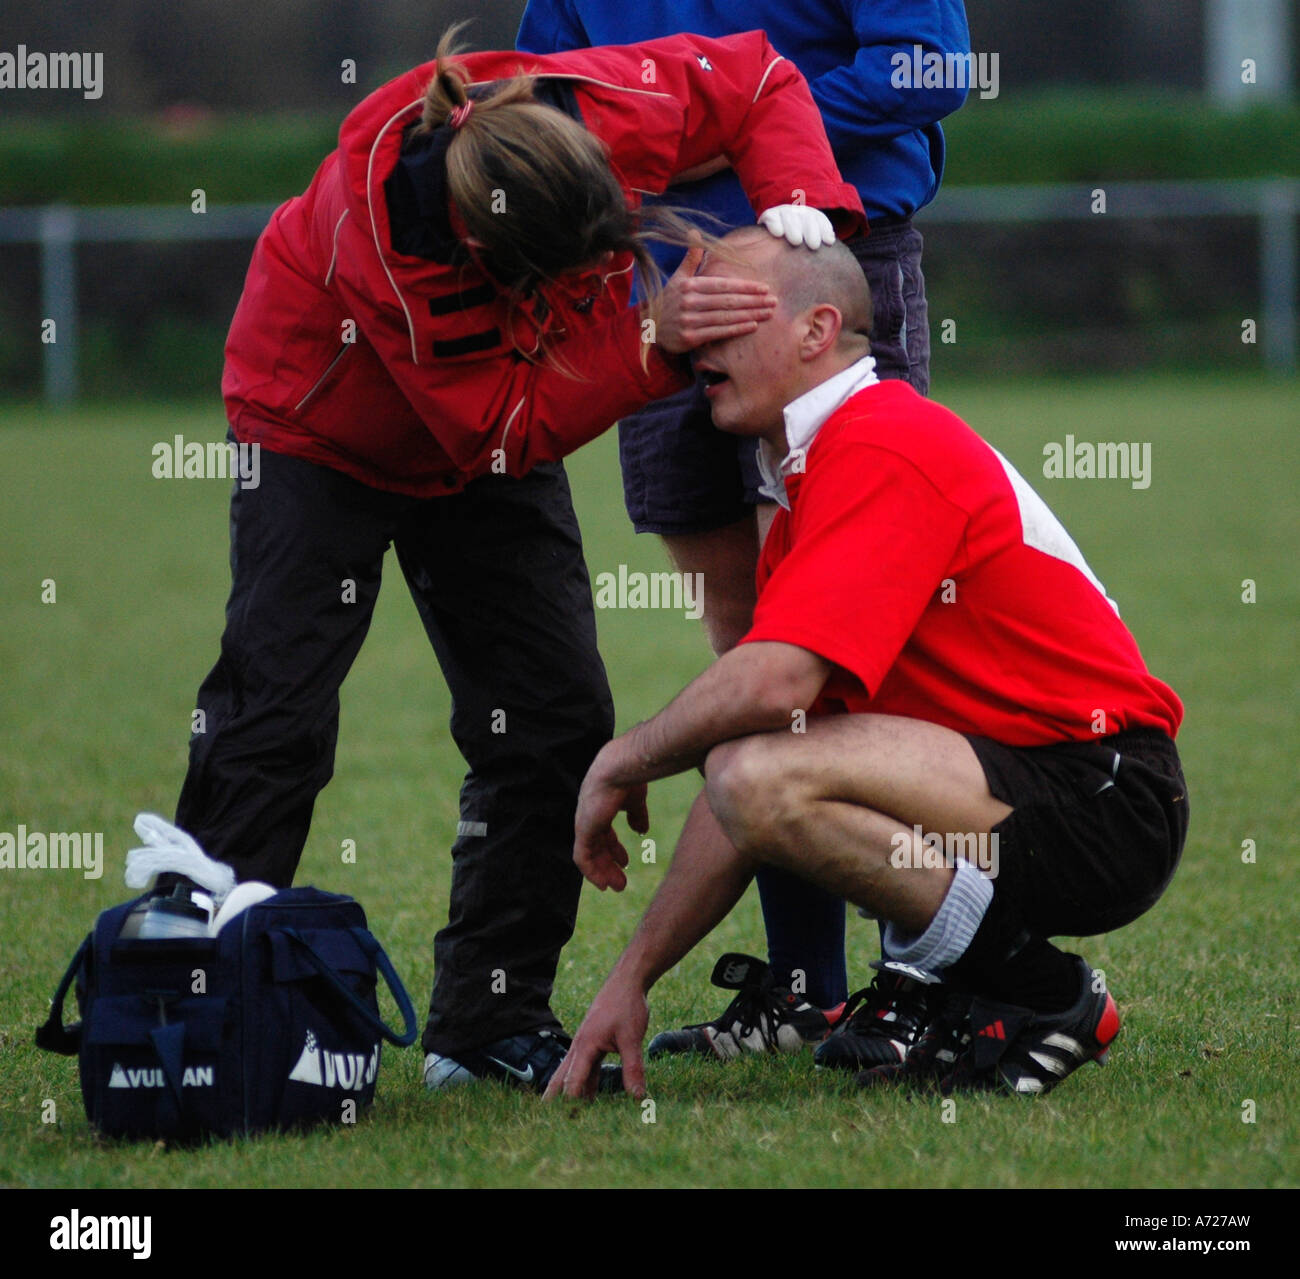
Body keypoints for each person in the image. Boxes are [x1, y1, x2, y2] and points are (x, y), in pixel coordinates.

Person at [173, 28, 865, 1094]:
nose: (603, 280)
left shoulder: (597, 104)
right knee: (275, 712)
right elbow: (498, 428)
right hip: (319, 430)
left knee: (549, 716)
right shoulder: (396, 242)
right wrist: (651, 339)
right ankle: (190, 1000)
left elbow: (760, 79)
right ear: (497, 262)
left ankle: (488, 1022)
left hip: (498, 411)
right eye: (576, 276)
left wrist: (797, 202)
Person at [543, 227, 1189, 1101]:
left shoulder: (881, 440)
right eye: (694, 316)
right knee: (751, 765)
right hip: (1036, 781)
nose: (696, 339)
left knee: (752, 765)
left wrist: (622, 758)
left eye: (730, 314)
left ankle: (1042, 996)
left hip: (1107, 797)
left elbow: (771, 690)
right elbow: (753, 769)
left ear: (816, 330)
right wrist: (632, 978)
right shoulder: (817, 470)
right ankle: (973, 990)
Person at [517, 0, 972, 1069]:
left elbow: (929, 67)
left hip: (823, 259)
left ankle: (929, 977)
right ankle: (804, 991)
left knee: (856, 644)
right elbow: (537, 111)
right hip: (653, 287)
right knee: (745, 645)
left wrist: (735, 124)